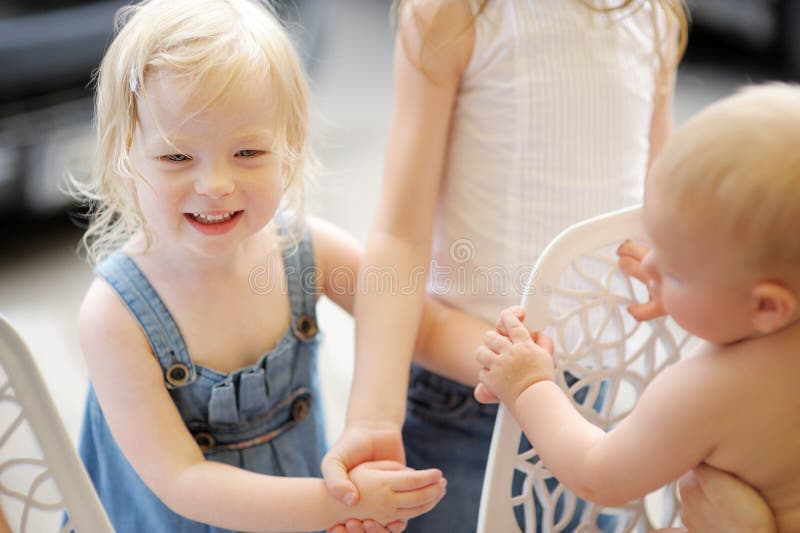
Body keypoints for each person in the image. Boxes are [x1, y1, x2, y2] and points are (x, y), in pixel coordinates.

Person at [69, 0, 527, 529]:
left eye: (248, 154)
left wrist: (504, 362)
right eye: (176, 157)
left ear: (288, 150)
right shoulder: (113, 317)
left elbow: (412, 321)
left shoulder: (304, 251)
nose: (215, 183)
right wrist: (341, 502)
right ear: (125, 157)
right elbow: (182, 480)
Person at [321, 0, 688, 531]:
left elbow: (659, 197)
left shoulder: (653, 14)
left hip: (593, 404)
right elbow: (400, 236)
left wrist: (669, 260)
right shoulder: (457, 13)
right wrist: (374, 418)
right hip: (468, 405)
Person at [475, 83, 800, 532]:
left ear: (766, 306)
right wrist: (696, 292)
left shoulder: (706, 390)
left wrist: (528, 384)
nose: (649, 264)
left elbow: (597, 473)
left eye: (677, 272)